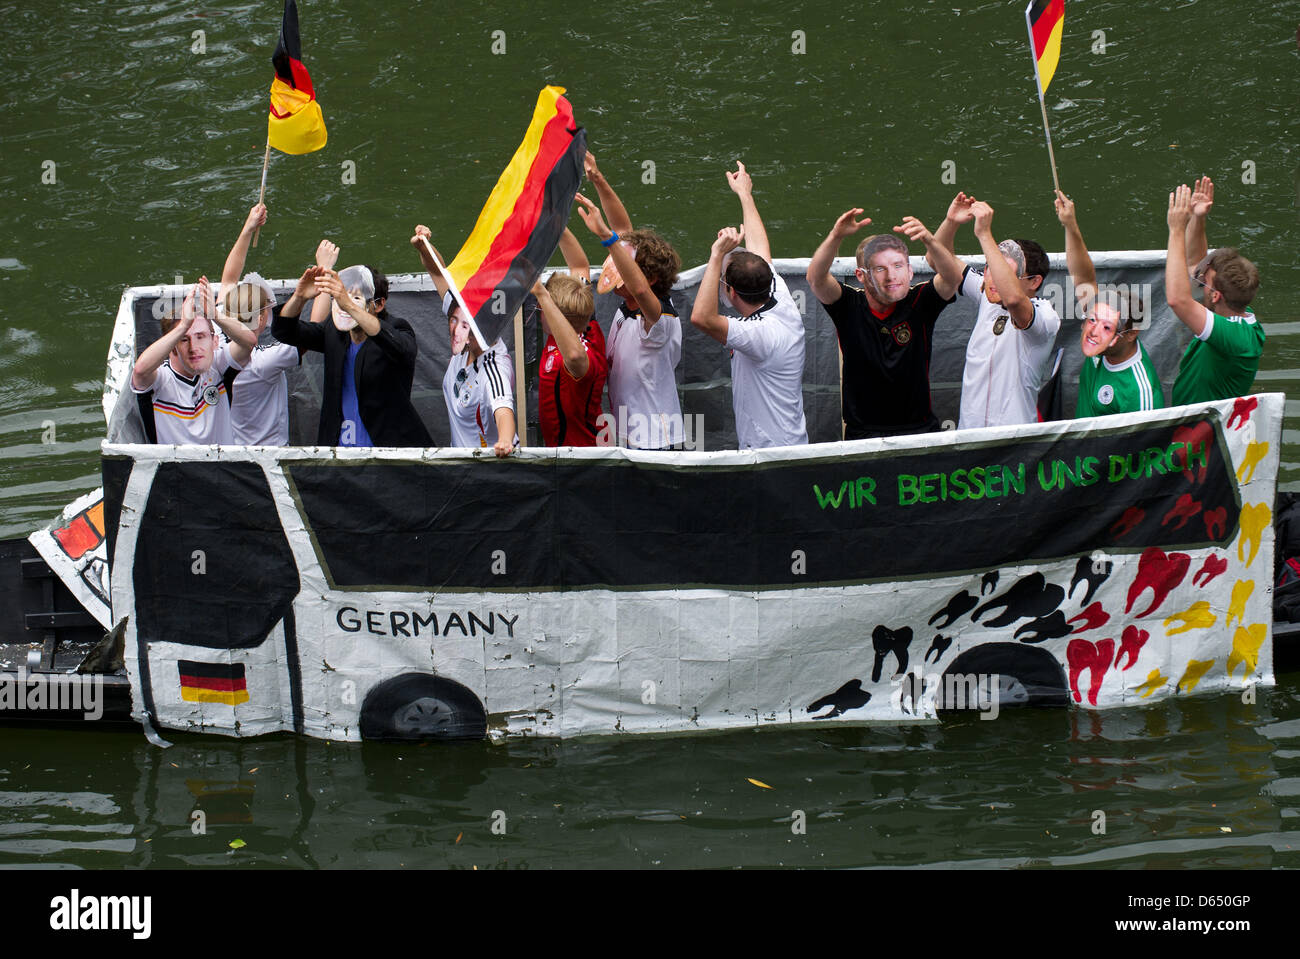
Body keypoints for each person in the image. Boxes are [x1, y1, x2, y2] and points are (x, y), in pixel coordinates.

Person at [806, 204, 964, 439]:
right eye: (880, 269)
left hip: (919, 429)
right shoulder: (848, 305)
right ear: (861, 275)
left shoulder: (919, 302)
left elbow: (953, 278)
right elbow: (816, 279)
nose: (891, 276)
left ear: (909, 271)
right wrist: (835, 236)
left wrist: (929, 240)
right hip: (864, 432)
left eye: (898, 266)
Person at [689, 161, 807, 448]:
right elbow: (760, 252)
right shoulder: (780, 298)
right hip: (790, 443)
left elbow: (702, 318)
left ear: (731, 293)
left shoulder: (758, 334)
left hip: (771, 455)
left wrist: (717, 255)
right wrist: (744, 193)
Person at [580, 154, 684, 449]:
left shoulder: (659, 319)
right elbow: (623, 229)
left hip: (656, 442)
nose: (615, 270)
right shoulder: (628, 308)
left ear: (650, 279)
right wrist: (597, 179)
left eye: (624, 266)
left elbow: (638, 288)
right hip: (628, 435)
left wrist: (606, 237)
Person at [932, 193, 1061, 429]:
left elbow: (1014, 300)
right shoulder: (988, 294)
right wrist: (951, 222)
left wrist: (984, 234)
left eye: (1004, 273)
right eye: (990, 268)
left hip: (1012, 439)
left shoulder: (1045, 317)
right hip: (969, 436)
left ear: (1034, 282)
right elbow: (936, 260)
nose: (993, 280)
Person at [271, 263, 433, 447]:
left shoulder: (397, 328)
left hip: (386, 451)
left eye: (355, 298)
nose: (343, 306)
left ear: (378, 304)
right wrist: (299, 297)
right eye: (340, 298)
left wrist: (349, 305)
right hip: (338, 450)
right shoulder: (334, 331)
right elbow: (285, 331)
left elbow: (403, 350)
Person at [410, 226, 518, 456]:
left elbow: (503, 410)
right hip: (461, 459)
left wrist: (505, 440)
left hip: (489, 465)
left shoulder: (494, 369)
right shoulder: (464, 325)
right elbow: (439, 274)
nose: (455, 330)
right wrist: (423, 246)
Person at [1055, 191, 1164, 417]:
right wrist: (1070, 225)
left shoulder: (1139, 393)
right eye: (1091, 320)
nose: (1093, 331)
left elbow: (1143, 440)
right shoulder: (1102, 340)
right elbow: (1083, 279)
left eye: (1106, 327)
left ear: (1131, 333)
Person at [1165, 177, 1263, 405]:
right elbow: (1195, 263)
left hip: (1205, 425)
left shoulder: (1235, 337)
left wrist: (1176, 229)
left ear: (1216, 295)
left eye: (1204, 282)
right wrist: (1198, 218)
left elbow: (1177, 299)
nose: (1198, 279)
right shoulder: (1233, 311)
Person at [131, 276, 255, 445]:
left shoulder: (217, 366)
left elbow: (249, 342)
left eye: (200, 337)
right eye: (184, 339)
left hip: (222, 462)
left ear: (215, 341)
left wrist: (215, 315)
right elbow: (140, 371)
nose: (193, 347)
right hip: (175, 463)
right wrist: (183, 326)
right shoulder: (161, 379)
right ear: (172, 347)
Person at [217, 203, 302, 445]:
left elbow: (229, 278)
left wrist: (248, 227)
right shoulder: (266, 361)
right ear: (263, 318)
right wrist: (317, 283)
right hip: (271, 453)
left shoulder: (216, 337)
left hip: (231, 449)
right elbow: (312, 332)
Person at [531, 228, 608, 447]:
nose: (539, 311)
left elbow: (574, 355)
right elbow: (579, 266)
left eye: (541, 308)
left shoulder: (580, 359)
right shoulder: (588, 325)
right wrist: (557, 224)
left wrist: (542, 295)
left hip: (581, 455)